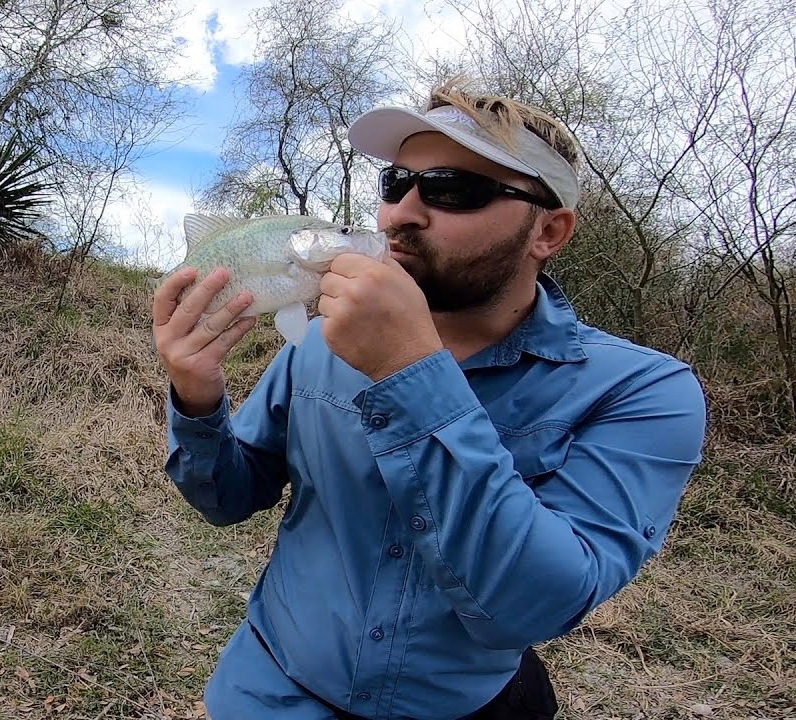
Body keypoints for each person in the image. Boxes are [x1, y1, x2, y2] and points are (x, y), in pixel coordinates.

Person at [150, 77, 708, 720]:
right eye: (396, 183)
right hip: (271, 693)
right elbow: (228, 496)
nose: (400, 214)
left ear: (549, 231)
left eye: (452, 190)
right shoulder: (317, 342)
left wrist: (410, 370)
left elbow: (537, 603)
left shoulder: (644, 392)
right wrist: (196, 397)